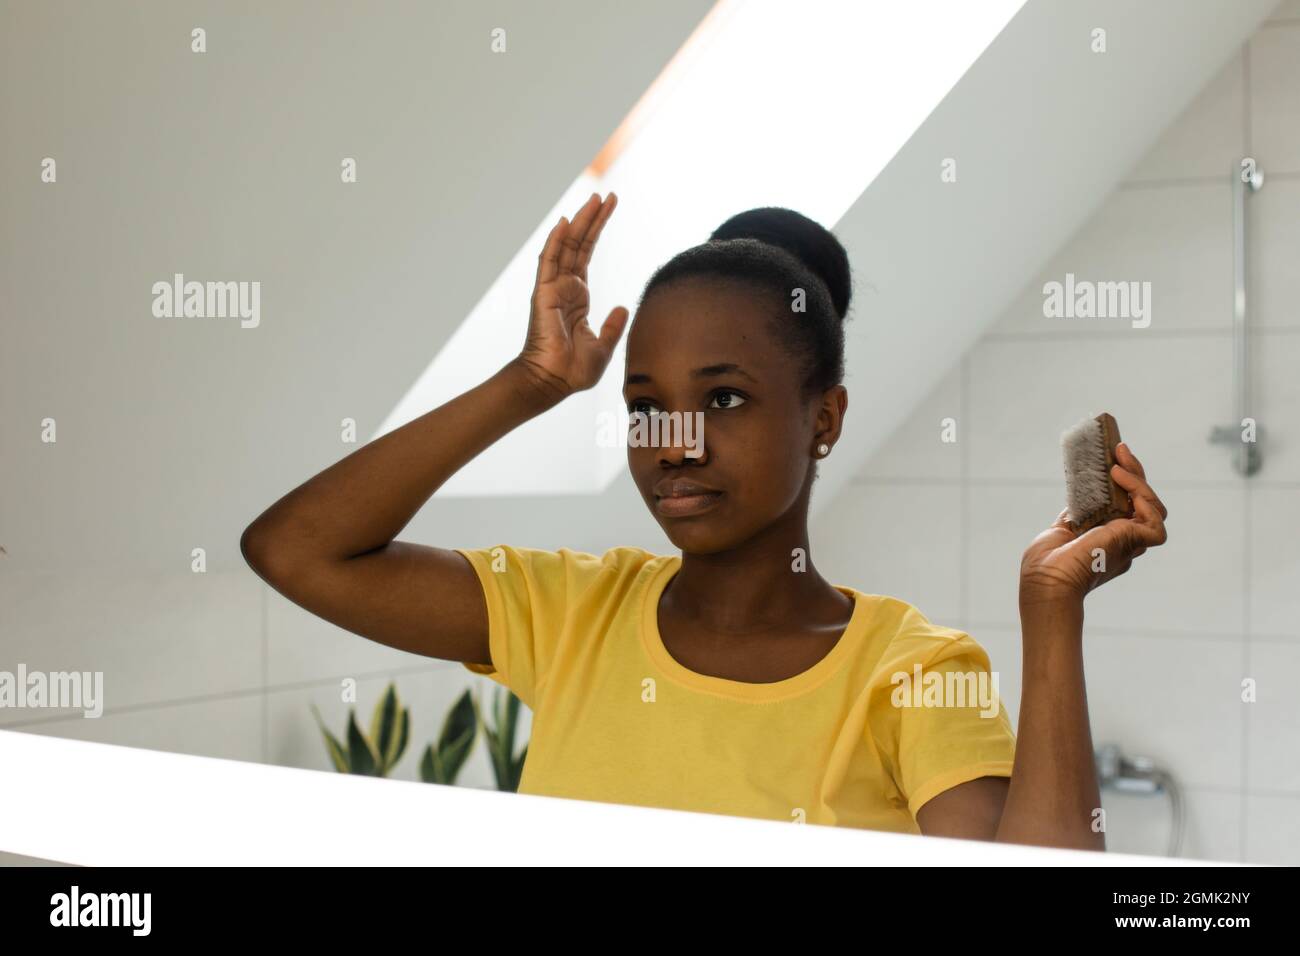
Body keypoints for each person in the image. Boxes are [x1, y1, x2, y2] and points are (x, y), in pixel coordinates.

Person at [241, 192, 1168, 847]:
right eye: (646, 406)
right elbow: (293, 550)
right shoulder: (570, 614)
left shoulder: (914, 672)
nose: (673, 443)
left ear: (825, 419)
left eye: (722, 399)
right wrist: (527, 385)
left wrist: (1053, 608)